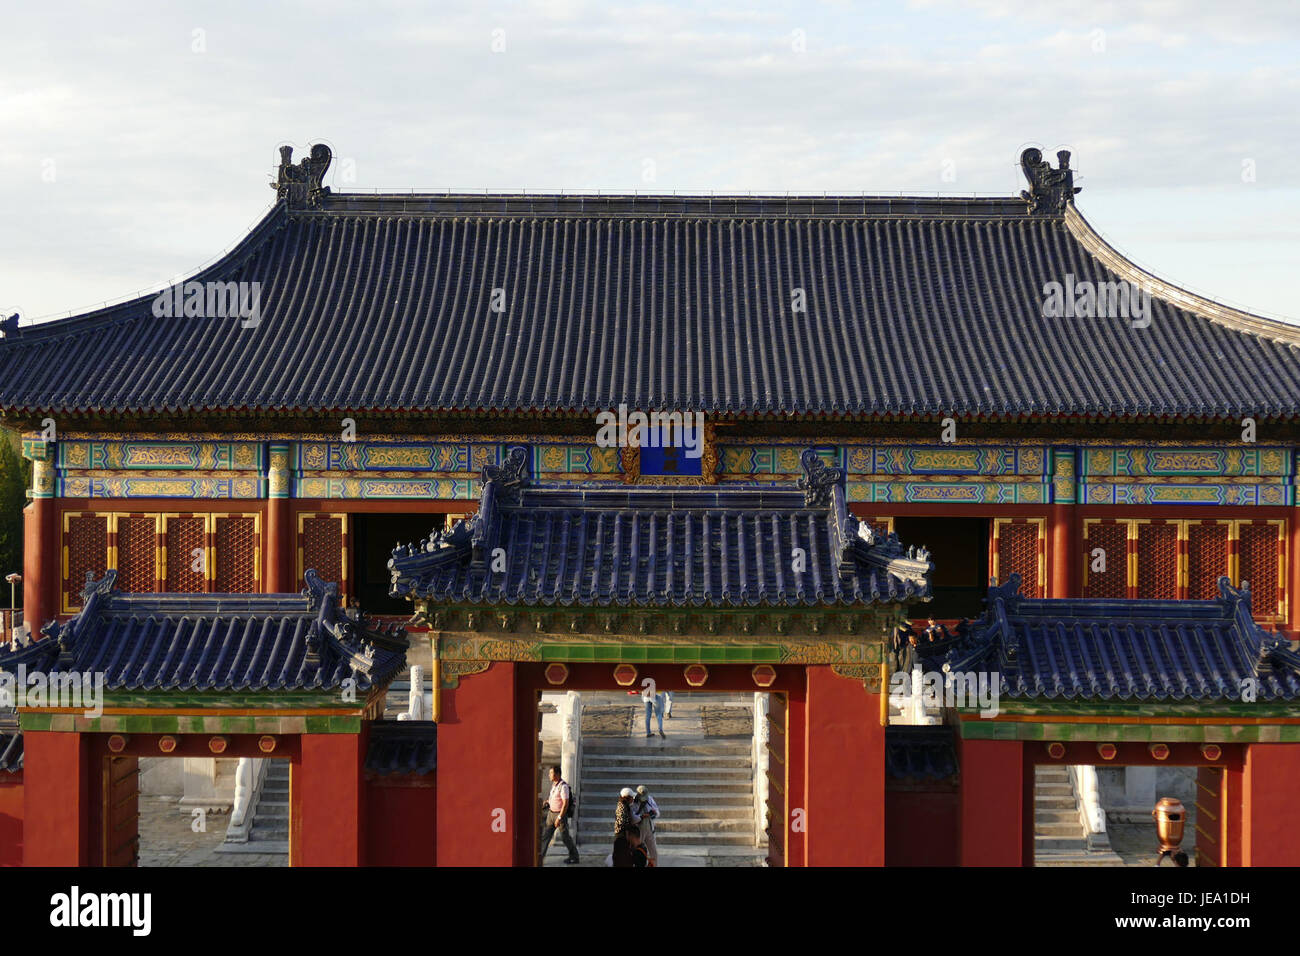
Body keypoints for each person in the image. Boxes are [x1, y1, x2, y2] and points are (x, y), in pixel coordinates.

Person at [539, 765, 579, 864]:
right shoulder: (554, 785)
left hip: (560, 815)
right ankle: (540, 858)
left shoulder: (563, 786)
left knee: (565, 838)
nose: (549, 775)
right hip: (551, 814)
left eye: (551, 773)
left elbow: (565, 803)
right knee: (546, 837)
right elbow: (554, 798)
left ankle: (574, 856)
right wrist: (547, 802)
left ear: (557, 774)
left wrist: (560, 817)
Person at [633, 785, 660, 867]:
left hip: (649, 828)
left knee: (653, 851)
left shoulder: (650, 799)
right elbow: (632, 817)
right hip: (639, 830)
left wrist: (653, 813)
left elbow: (658, 812)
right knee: (637, 850)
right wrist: (641, 816)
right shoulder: (633, 801)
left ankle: (654, 865)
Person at [612, 787, 637, 867]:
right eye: (631, 797)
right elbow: (623, 823)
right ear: (627, 798)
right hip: (621, 836)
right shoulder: (622, 807)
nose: (633, 799)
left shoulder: (625, 805)